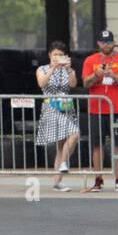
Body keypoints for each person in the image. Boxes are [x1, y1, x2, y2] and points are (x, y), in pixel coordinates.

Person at [80, 29, 118, 192]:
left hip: (117, 109)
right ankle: (98, 179)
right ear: (98, 43)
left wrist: (113, 75)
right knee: (97, 145)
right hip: (97, 109)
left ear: (114, 42)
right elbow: (85, 83)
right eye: (103, 42)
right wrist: (96, 75)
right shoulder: (90, 60)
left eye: (109, 42)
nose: (106, 45)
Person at [34, 41, 80, 192]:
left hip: (67, 109)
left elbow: (73, 85)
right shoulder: (42, 69)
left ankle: (57, 181)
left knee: (61, 147)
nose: (58, 57)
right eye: (55, 55)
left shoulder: (69, 70)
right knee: (74, 134)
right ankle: (63, 165)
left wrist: (68, 69)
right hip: (51, 108)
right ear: (49, 55)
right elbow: (41, 83)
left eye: (61, 55)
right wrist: (53, 68)